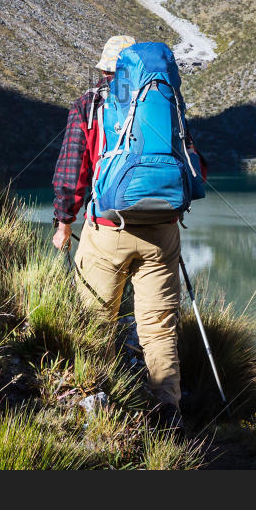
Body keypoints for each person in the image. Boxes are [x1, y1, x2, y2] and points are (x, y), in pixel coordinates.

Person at [51, 34, 203, 420]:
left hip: (107, 229)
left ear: (106, 70)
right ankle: (168, 409)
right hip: (162, 232)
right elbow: (194, 162)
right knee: (158, 328)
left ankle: (97, 409)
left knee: (94, 322)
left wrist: (64, 222)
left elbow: (73, 171)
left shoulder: (90, 104)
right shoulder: (167, 102)